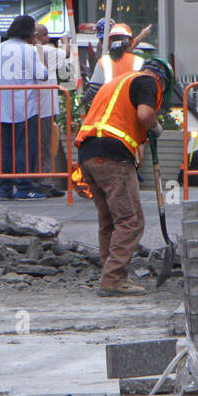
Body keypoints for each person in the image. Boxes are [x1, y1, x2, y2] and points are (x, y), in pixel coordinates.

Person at [75, 56, 174, 296]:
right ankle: (113, 280)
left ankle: (109, 273)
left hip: (88, 154)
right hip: (113, 156)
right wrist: (155, 126)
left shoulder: (116, 83)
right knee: (130, 220)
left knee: (109, 219)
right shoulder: (149, 82)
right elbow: (144, 114)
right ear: (162, 80)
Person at [0, 14, 50, 200]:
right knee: (26, 147)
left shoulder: (0, 48)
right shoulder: (28, 50)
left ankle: (5, 189)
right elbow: (42, 75)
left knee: (7, 149)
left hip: (6, 106)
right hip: (26, 107)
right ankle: (24, 187)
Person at [34, 24, 70, 197]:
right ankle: (44, 183)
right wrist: (64, 40)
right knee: (45, 145)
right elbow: (67, 52)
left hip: (35, 107)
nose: (48, 37)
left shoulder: (30, 52)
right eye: (44, 34)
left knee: (39, 145)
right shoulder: (47, 51)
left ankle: (39, 181)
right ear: (36, 36)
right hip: (45, 107)